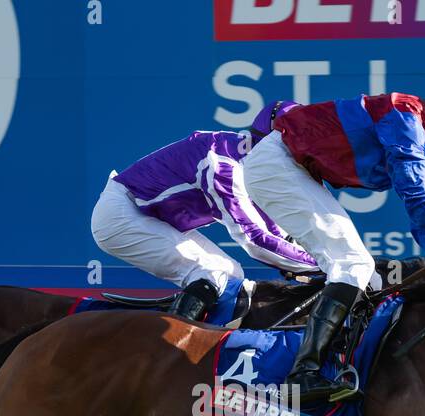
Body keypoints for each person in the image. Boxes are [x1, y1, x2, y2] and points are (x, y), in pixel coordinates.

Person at [243, 67, 425, 405]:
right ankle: (302, 376)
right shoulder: (406, 120)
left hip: (295, 169)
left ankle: (330, 367)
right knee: (352, 264)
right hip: (277, 164)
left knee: (364, 276)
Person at [90, 102, 318, 322]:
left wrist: (317, 260)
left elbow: (274, 231)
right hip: (121, 215)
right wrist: (321, 265)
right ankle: (168, 350)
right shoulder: (225, 167)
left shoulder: (248, 160)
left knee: (232, 277)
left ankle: (187, 325)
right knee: (211, 274)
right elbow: (255, 240)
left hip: (147, 213)